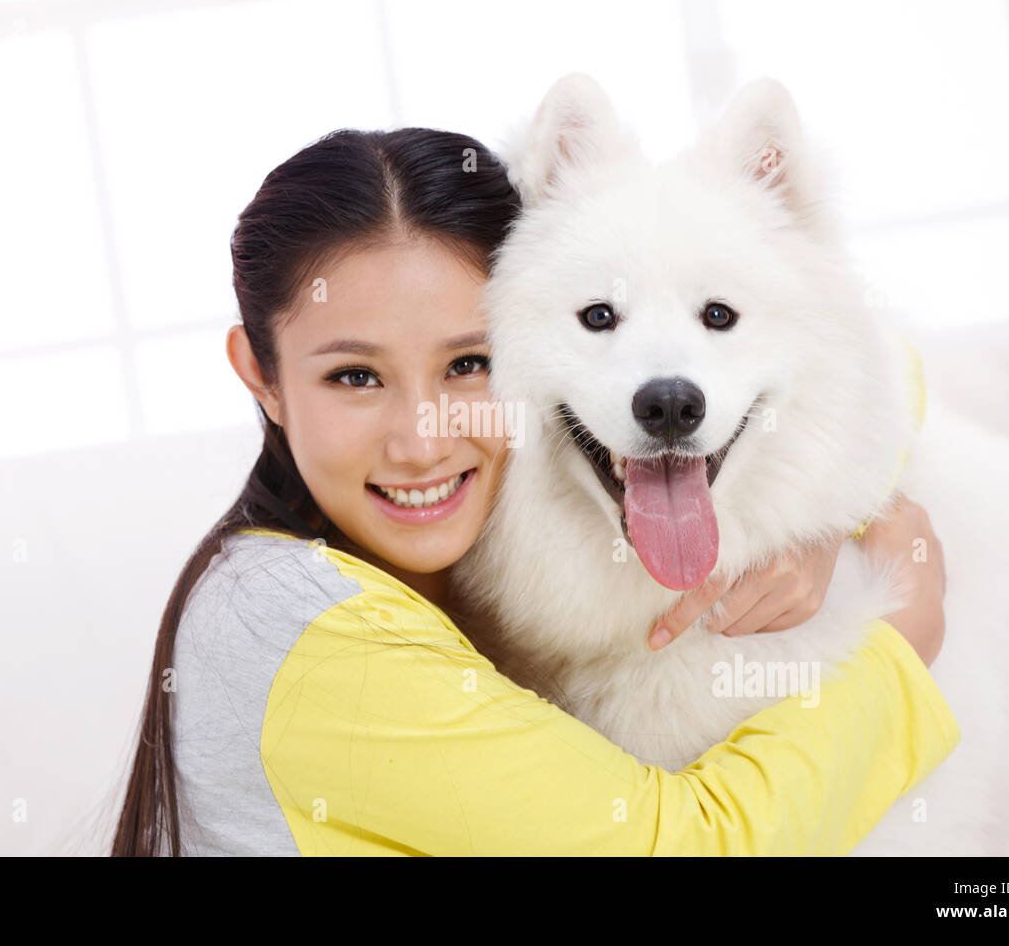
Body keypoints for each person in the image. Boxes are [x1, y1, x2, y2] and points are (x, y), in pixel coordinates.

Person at [111, 126, 957, 856]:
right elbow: (680, 846)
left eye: (468, 364)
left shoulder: (470, 553)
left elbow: (852, 346)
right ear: (259, 374)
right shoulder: (296, 625)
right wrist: (900, 644)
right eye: (356, 376)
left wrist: (825, 517)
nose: (424, 440)